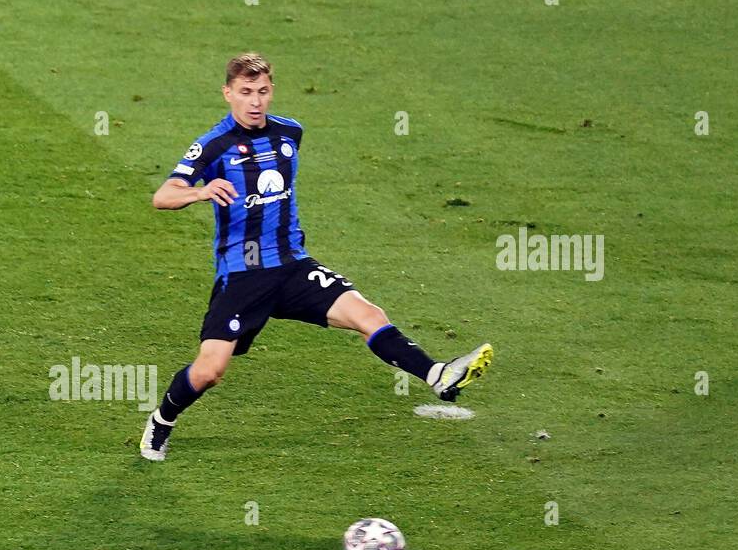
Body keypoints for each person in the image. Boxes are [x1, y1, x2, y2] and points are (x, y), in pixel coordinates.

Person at [142, 53, 493, 461]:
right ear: (227, 94)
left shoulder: (290, 132)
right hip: (243, 275)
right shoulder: (214, 144)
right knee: (210, 370)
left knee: (369, 315)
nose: (254, 102)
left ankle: (437, 374)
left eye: (262, 91)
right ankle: (161, 422)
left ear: (271, 91)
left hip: (293, 266)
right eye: (245, 93)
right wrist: (201, 191)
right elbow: (162, 196)